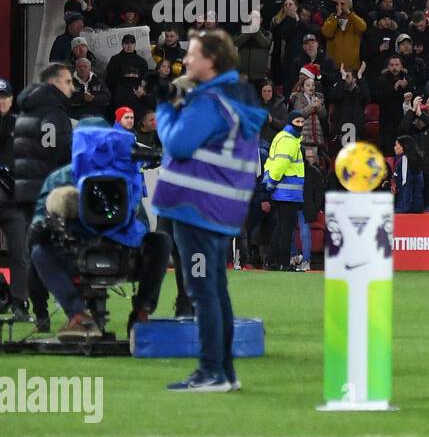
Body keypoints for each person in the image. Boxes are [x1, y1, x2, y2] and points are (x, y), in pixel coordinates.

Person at [153, 29, 268, 392]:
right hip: (221, 207)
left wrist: (164, 108)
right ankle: (226, 372)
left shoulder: (210, 100)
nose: (186, 61)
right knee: (216, 290)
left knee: (202, 291)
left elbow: (177, 143)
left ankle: (211, 372)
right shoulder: (238, 97)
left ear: (212, 61)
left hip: (195, 207)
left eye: (192, 54)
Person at [27, 119, 171, 340]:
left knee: (160, 241)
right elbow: (39, 221)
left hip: (120, 253)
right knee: (40, 249)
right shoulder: (64, 177)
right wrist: (52, 219)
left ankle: (140, 312)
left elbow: (139, 222)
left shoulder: (126, 175)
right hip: (79, 252)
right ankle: (79, 316)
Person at [0, 65, 73, 331]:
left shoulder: (25, 114)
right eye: (67, 82)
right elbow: (55, 153)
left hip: (22, 196)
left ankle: (36, 310)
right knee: (52, 252)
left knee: (30, 253)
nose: (71, 87)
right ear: (54, 84)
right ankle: (71, 311)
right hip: (47, 194)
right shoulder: (51, 114)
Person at [263, 111, 306, 269]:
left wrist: (271, 185)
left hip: (284, 192)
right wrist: (271, 184)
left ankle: (273, 261)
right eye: (297, 121)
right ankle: (282, 263)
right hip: (287, 193)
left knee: (281, 228)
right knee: (286, 230)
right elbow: (279, 165)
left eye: (302, 122)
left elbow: (273, 163)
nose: (300, 124)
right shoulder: (289, 140)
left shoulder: (285, 137)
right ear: (290, 122)